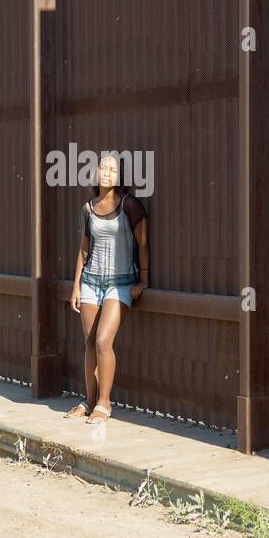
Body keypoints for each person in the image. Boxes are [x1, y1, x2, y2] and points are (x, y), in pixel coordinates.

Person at [67, 153, 148, 424]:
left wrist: (143, 280)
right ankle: (89, 402)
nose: (107, 172)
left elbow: (143, 244)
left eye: (112, 169)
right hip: (90, 282)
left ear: (120, 175)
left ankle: (105, 403)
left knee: (103, 341)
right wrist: (76, 286)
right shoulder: (88, 207)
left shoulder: (130, 206)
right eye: (103, 167)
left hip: (121, 282)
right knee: (89, 343)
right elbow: (83, 249)